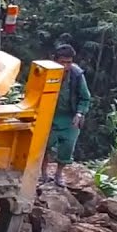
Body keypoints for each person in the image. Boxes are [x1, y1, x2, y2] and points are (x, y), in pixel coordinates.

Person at [41, 43, 91, 187]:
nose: (66, 66)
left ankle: (58, 175)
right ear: (55, 60)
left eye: (69, 62)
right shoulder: (45, 71)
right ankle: (43, 173)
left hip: (69, 117)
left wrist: (80, 113)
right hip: (49, 116)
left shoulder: (76, 75)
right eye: (62, 62)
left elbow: (85, 97)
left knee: (67, 147)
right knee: (44, 145)